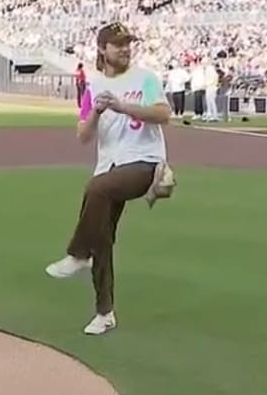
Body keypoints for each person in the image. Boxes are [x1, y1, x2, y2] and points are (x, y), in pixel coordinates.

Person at [44, 22, 173, 336]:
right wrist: (97, 113)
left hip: (145, 162)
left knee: (96, 189)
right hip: (109, 164)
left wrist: (123, 106)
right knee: (102, 237)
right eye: (118, 44)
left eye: (128, 43)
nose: (125, 49)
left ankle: (77, 253)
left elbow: (163, 114)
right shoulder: (93, 84)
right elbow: (83, 136)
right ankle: (105, 312)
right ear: (102, 49)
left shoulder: (145, 78)